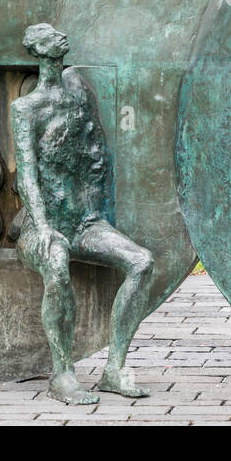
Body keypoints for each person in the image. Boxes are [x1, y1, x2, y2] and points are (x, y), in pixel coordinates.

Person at [13, 22, 154, 404]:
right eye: (49, 35)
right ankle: (62, 374)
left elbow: (96, 155)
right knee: (56, 262)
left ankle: (114, 369)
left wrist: (94, 212)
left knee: (141, 262)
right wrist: (42, 227)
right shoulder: (27, 109)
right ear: (38, 50)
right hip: (42, 227)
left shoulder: (78, 92)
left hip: (85, 223)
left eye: (58, 33)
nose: (59, 36)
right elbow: (26, 175)